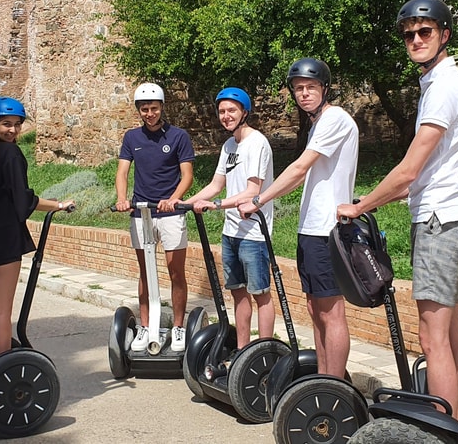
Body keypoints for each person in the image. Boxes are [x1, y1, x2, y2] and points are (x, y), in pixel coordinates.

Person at [336, 0, 458, 423]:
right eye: (409, 34)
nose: (416, 39)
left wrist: (360, 206)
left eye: (425, 31)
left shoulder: (444, 88)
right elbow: (419, 177)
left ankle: (442, 431)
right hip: (449, 215)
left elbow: (409, 172)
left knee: (432, 339)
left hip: (440, 220)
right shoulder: (440, 84)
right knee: (452, 336)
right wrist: (381, 198)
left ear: (444, 35)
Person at [238, 58, 358, 377]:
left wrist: (259, 199)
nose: (303, 94)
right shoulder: (318, 123)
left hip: (328, 230)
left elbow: (299, 168)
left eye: (310, 87)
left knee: (331, 312)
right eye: (298, 89)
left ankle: (334, 386)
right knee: (314, 308)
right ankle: (322, 378)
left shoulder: (334, 119)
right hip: (311, 228)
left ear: (325, 88)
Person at [0, 97, 74, 395]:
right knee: (1, 312)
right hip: (2, 240)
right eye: (6, 124)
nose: (12, 130)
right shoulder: (10, 154)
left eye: (16, 125)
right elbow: (22, 201)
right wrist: (59, 204)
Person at [183, 87, 276, 348]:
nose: (226, 116)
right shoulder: (228, 145)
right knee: (238, 294)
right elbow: (215, 184)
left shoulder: (257, 143)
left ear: (244, 112)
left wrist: (216, 205)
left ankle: (263, 352)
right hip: (231, 232)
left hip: (254, 233)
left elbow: (252, 190)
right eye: (222, 111)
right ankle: (242, 351)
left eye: (231, 110)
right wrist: (183, 203)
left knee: (261, 295)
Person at [115, 83, 195, 353]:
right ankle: (146, 326)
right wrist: (122, 198)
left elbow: (187, 176)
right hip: (141, 212)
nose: (149, 113)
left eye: (154, 108)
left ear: (162, 107)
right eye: (145, 109)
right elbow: (123, 172)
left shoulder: (178, 136)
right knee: (145, 273)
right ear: (139, 110)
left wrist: (174, 198)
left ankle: (179, 327)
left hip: (170, 213)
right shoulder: (131, 138)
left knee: (175, 272)